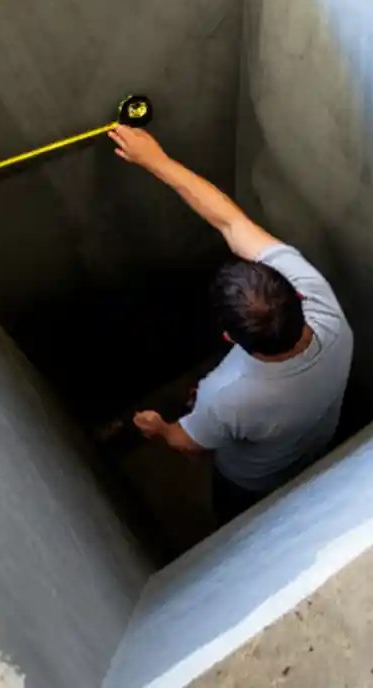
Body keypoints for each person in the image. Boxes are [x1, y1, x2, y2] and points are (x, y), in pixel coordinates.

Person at [109, 125, 354, 523]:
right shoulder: (323, 304)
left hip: (249, 481)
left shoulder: (228, 396)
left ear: (228, 337)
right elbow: (231, 223)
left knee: (234, 515)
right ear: (293, 294)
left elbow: (187, 443)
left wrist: (157, 428)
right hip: (315, 441)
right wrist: (157, 160)